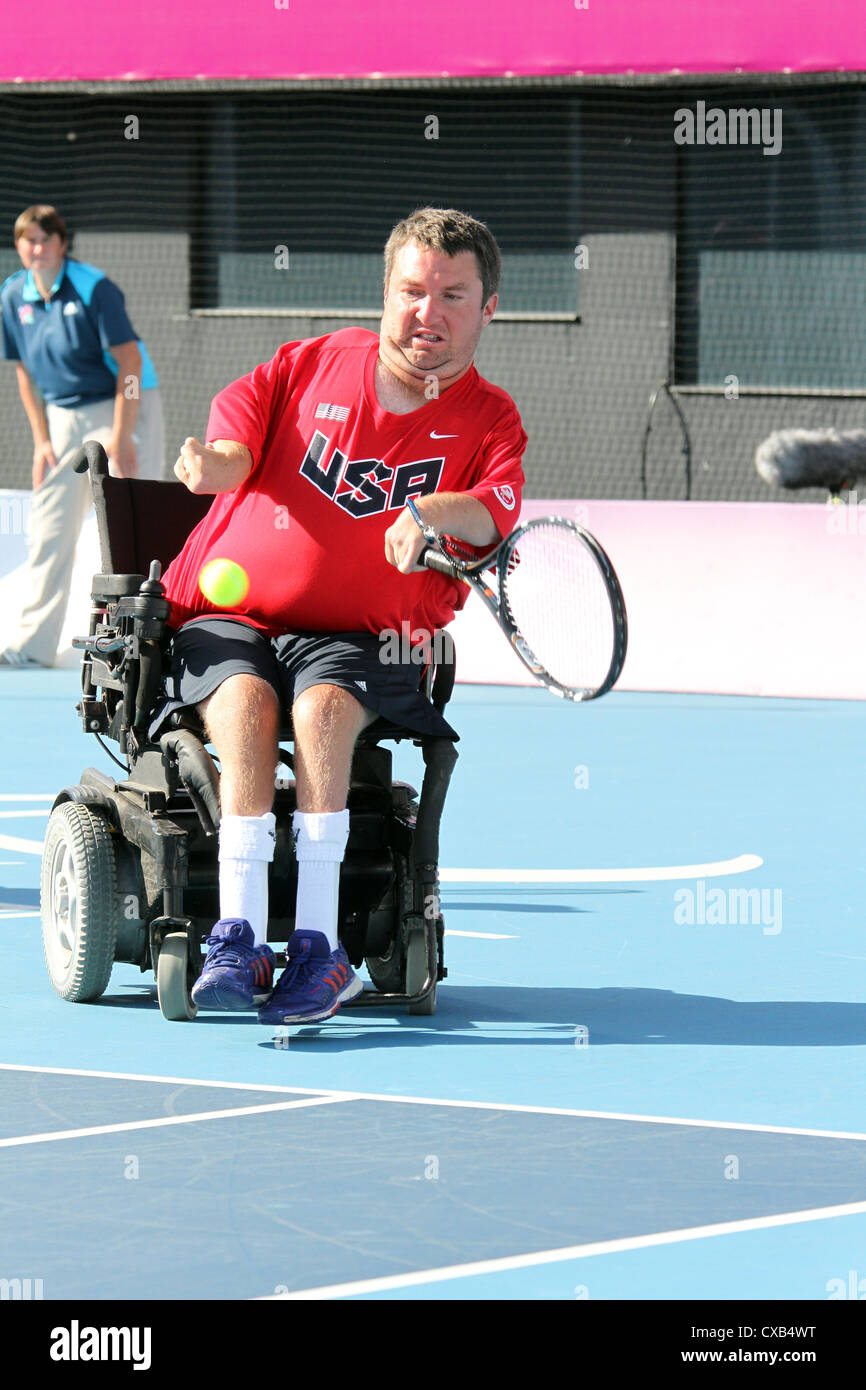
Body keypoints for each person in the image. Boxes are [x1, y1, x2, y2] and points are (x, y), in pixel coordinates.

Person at [156, 206, 527, 1025]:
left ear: (488, 308)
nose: (426, 312)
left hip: (364, 638)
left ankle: (321, 952)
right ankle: (238, 934)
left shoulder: (491, 419)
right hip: (231, 617)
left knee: (322, 714)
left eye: (452, 296)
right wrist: (215, 461)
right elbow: (236, 433)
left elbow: (494, 511)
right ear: (386, 291)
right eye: (412, 290)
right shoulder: (314, 361)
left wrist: (434, 513)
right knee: (248, 703)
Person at [0, 205, 165, 668]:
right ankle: (30, 647)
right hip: (61, 417)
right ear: (19, 246)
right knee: (49, 527)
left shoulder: (95, 288)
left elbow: (130, 363)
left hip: (124, 404)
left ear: (61, 243)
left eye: (44, 240)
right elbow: (24, 374)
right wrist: (41, 440)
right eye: (27, 240)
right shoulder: (13, 296)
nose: (37, 249)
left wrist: (123, 434)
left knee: (129, 521)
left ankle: (144, 645)